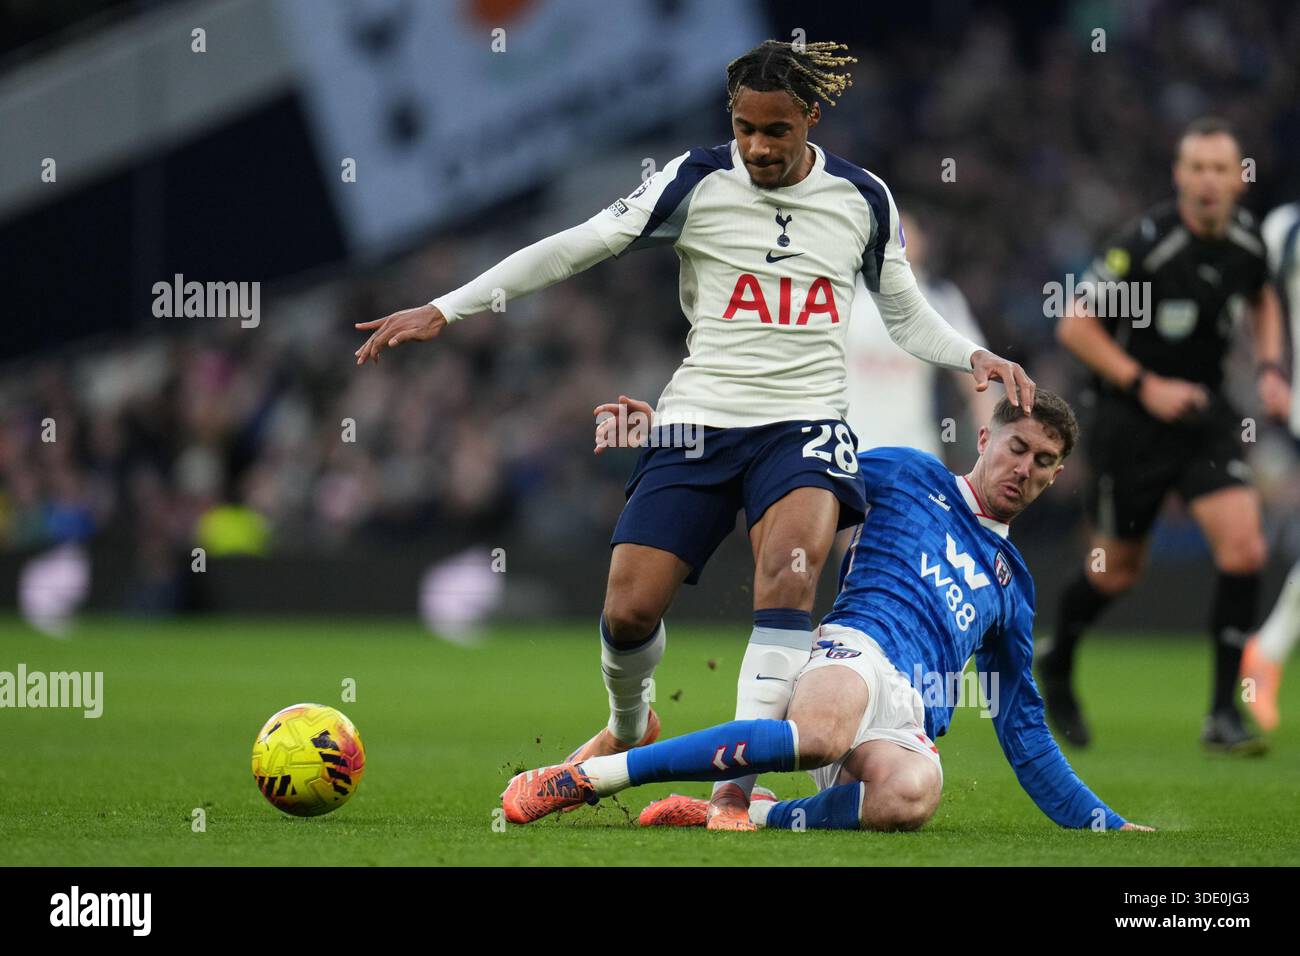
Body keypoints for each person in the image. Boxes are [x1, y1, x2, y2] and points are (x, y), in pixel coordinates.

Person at [355, 39, 1034, 828]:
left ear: (810, 119)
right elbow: (576, 245)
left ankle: (733, 798)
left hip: (806, 427)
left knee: (787, 581)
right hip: (698, 424)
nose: (758, 148)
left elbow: (906, 313)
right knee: (628, 612)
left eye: (776, 131)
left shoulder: (863, 198)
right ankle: (633, 716)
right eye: (745, 128)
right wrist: (448, 306)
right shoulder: (694, 180)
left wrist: (972, 353)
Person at [503, 392, 1152, 833]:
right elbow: (790, 473)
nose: (1022, 467)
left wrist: (1107, 825)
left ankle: (747, 814)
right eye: (1016, 447)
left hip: (908, 714)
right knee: (820, 735)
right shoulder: (908, 474)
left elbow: (1022, 726)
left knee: (913, 794)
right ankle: (587, 776)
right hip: (851, 651)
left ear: (1057, 475)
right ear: (986, 436)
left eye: (1043, 462)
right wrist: (678, 432)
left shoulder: (1014, 587)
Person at [1041, 117, 1291, 754]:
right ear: (1180, 176)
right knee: (1118, 571)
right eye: (1196, 168)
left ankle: (1221, 716)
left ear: (1238, 179)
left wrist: (1269, 367)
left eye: (1220, 169)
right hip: (1131, 422)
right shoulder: (1146, 242)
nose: (1208, 181)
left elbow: (1263, 297)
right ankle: (1058, 659)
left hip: (1203, 419)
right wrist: (1145, 383)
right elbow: (1074, 326)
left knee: (1245, 553)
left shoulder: (1245, 243)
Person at [1240, 199, 1300, 730]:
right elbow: (1258, 299)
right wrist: (1272, 368)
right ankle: (1266, 652)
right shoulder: (1284, 227)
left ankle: (1266, 650)